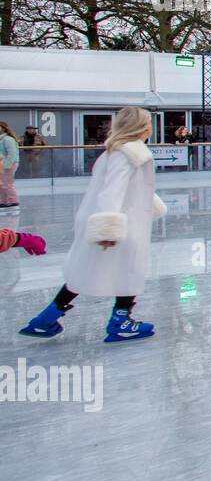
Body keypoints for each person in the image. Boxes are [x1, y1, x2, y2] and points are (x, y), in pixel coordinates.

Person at [20, 106, 166, 342]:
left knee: (88, 269)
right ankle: (120, 321)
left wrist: (152, 206)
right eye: (148, 122)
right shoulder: (130, 153)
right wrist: (108, 229)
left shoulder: (114, 152)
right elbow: (112, 191)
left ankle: (47, 318)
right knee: (128, 269)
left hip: (113, 217)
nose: (151, 127)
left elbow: (133, 188)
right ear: (141, 127)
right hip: (120, 221)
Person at [0, 121, 20, 211]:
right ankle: (3, 201)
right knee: (2, 184)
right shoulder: (1, 139)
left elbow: (12, 153)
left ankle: (13, 201)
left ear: (3, 128)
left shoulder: (8, 139)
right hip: (2, 164)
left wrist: (7, 165)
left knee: (7, 183)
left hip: (9, 164)